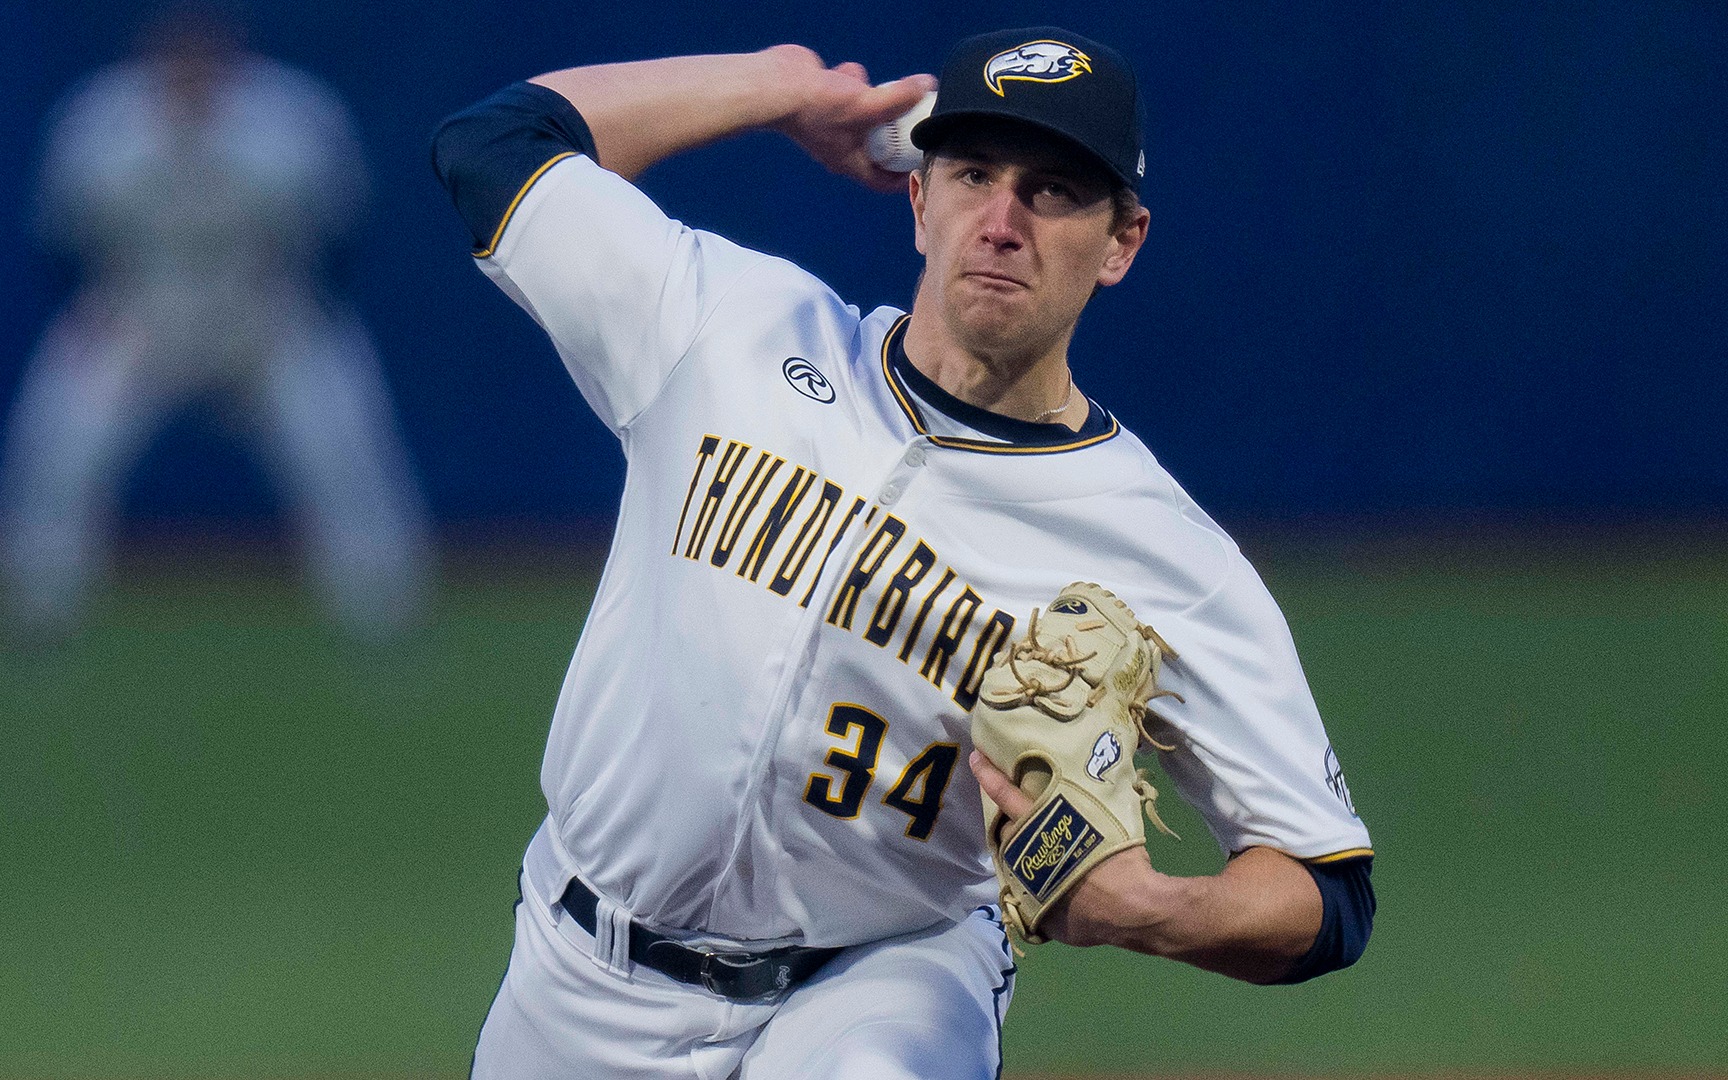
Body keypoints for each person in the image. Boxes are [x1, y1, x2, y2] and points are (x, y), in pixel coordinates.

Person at [431, 26, 1375, 1078]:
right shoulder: (727, 327)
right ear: (920, 200)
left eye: (1056, 191)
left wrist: (1153, 909)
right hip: (581, 972)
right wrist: (776, 87)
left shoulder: (1161, 550)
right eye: (974, 174)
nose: (1004, 221)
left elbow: (1326, 890)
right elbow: (498, 144)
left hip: (884, 977)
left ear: (1124, 243)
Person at [0, 4, 431, 643]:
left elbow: (340, 228)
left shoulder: (289, 115)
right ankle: (35, 616)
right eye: (177, 50)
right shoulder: (100, 119)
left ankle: (386, 616)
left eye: (204, 50)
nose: (190, 66)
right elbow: (62, 237)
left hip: (264, 312)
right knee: (59, 453)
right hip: (138, 310)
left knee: (343, 451)